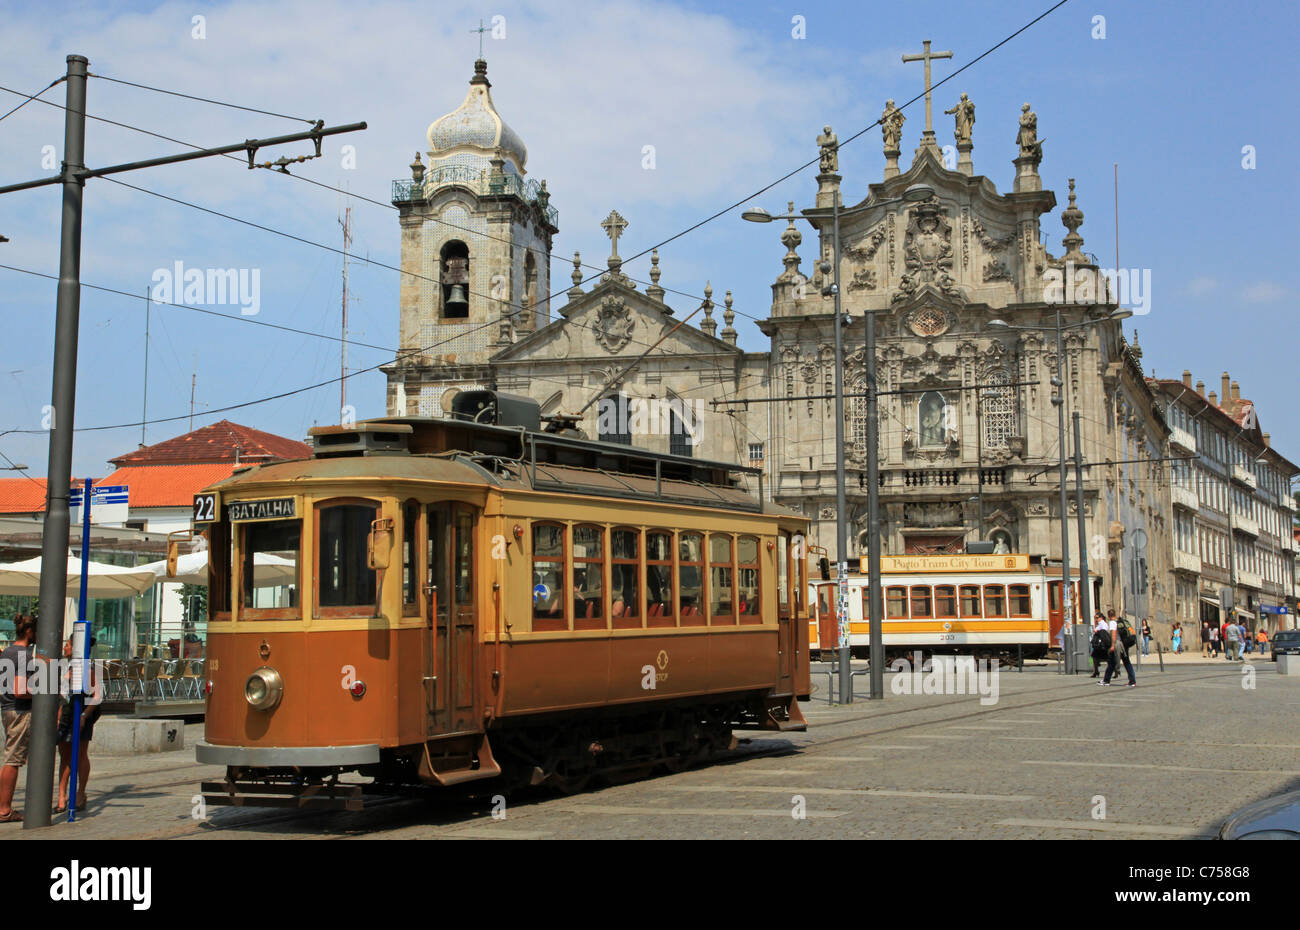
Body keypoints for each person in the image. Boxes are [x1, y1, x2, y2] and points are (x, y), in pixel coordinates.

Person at [55, 635, 101, 814]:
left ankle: (80, 792)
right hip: (65, 715)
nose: (65, 647)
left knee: (80, 754)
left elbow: (97, 696)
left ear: (76, 648)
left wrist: (84, 715)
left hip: (81, 714)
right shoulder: (63, 666)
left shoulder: (87, 668)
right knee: (64, 756)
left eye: (67, 644)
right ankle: (61, 795)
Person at [0, 614, 36, 823]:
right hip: (20, 710)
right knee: (13, 759)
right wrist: (43, 693)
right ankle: (4, 809)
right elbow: (20, 690)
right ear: (30, 632)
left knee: (12, 757)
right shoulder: (24, 655)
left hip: (7, 708)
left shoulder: (7, 652)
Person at [1102, 610, 1137, 686]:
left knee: (1112, 662)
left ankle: (1106, 680)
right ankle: (1132, 681)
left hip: (1117, 645)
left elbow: (1113, 635)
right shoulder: (1118, 621)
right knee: (1126, 662)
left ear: (1108, 615)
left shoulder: (1112, 623)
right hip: (1124, 644)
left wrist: (1112, 646)